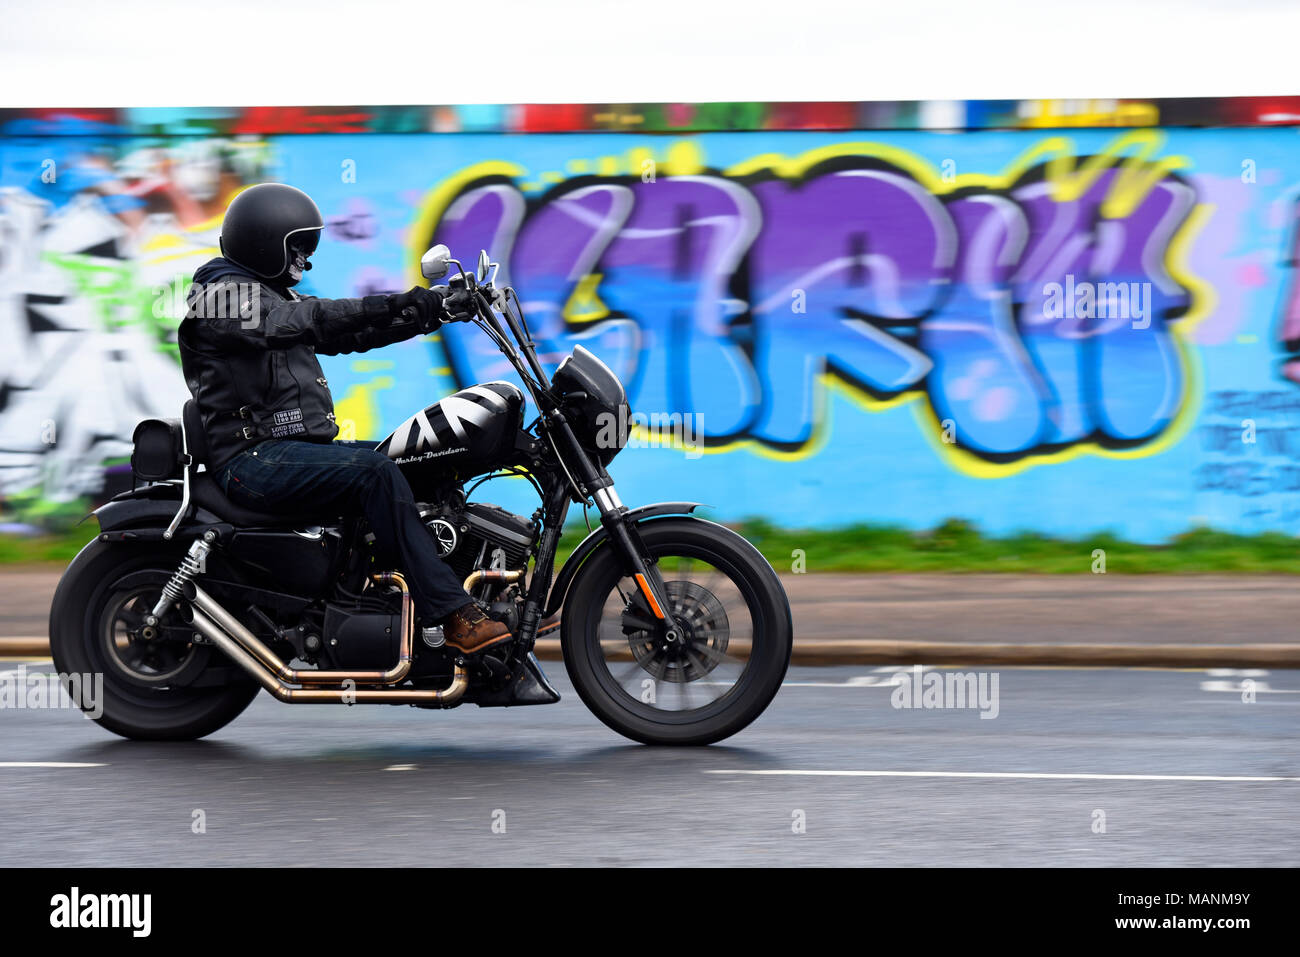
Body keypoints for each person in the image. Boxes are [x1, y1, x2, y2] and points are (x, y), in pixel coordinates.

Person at [177, 182, 510, 654]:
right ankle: (452, 613)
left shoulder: (270, 297)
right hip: (251, 459)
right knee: (376, 473)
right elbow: (312, 319)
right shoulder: (221, 296)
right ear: (264, 240)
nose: (305, 261)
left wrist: (435, 311)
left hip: (290, 450)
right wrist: (410, 300)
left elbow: (349, 333)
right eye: (298, 248)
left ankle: (408, 598)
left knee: (421, 460)